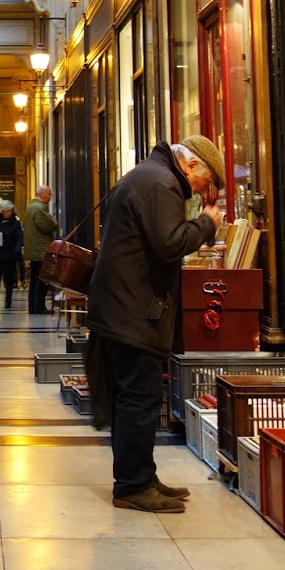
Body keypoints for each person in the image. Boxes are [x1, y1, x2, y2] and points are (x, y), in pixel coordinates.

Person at [85, 135, 225, 513]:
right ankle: (132, 485)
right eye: (205, 180)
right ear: (191, 164)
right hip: (132, 310)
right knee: (138, 398)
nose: (202, 190)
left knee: (138, 396)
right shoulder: (161, 184)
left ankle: (142, 476)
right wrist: (206, 224)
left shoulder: (149, 176)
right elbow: (169, 243)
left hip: (124, 305)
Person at [23, 185, 59, 314]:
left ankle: (33, 307)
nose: (50, 197)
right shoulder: (39, 209)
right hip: (40, 251)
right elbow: (50, 225)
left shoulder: (30, 208)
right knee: (42, 280)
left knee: (34, 280)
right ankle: (39, 307)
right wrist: (54, 221)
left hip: (33, 251)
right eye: (49, 194)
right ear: (42, 194)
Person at [0, 200, 24, 310]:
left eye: (10, 211)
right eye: (7, 211)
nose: (9, 213)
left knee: (9, 279)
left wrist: (17, 250)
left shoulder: (15, 222)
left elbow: (19, 237)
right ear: (2, 211)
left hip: (10, 254)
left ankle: (8, 301)